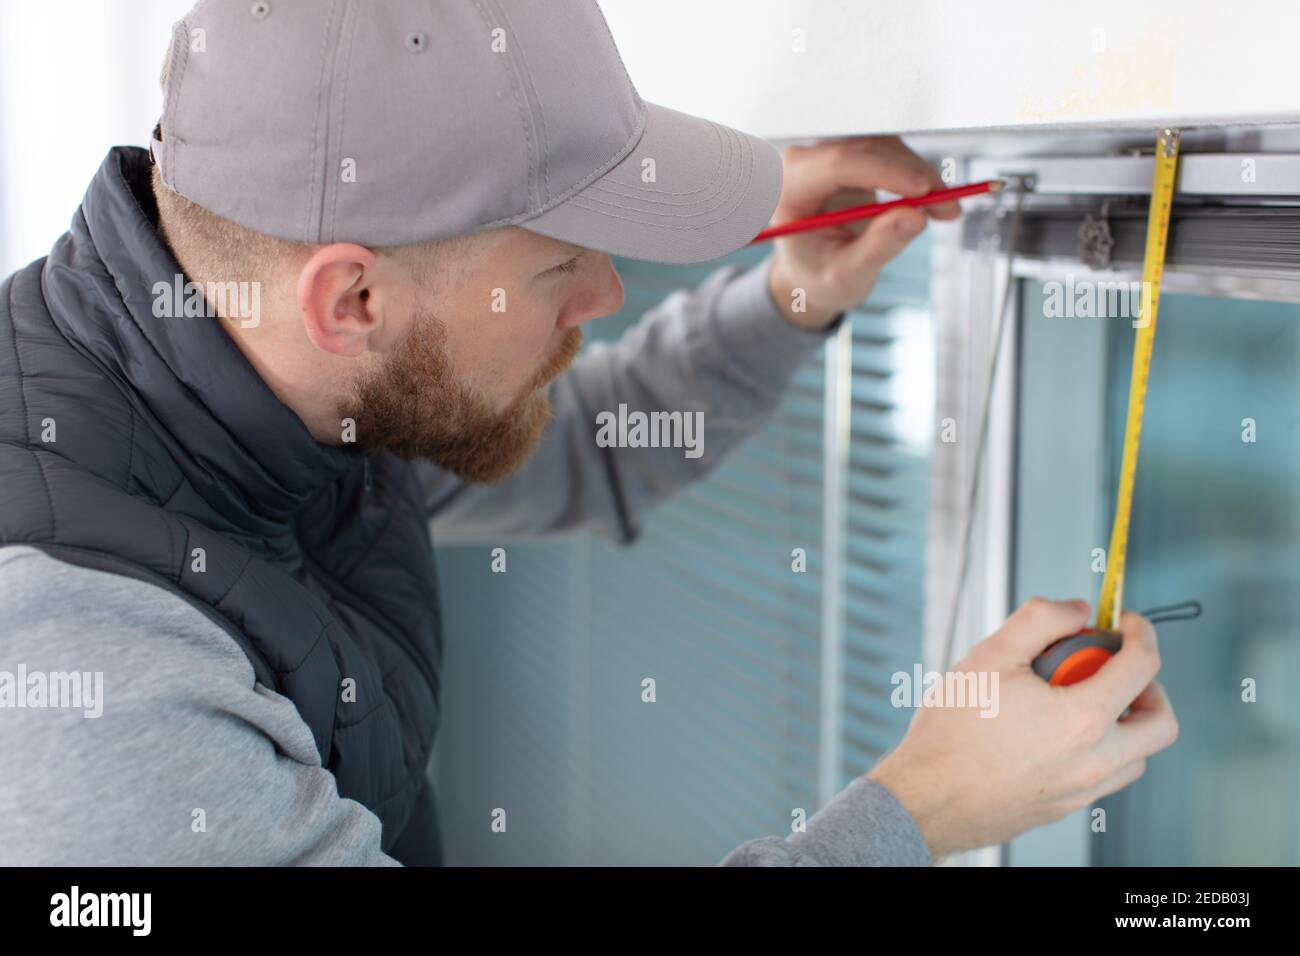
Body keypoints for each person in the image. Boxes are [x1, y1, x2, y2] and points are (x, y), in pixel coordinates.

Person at [0, 0, 1177, 866]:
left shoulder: (256, 376)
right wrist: (918, 812)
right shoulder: (95, 705)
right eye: (562, 262)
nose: (609, 293)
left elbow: (577, 446)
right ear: (351, 301)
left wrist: (788, 298)